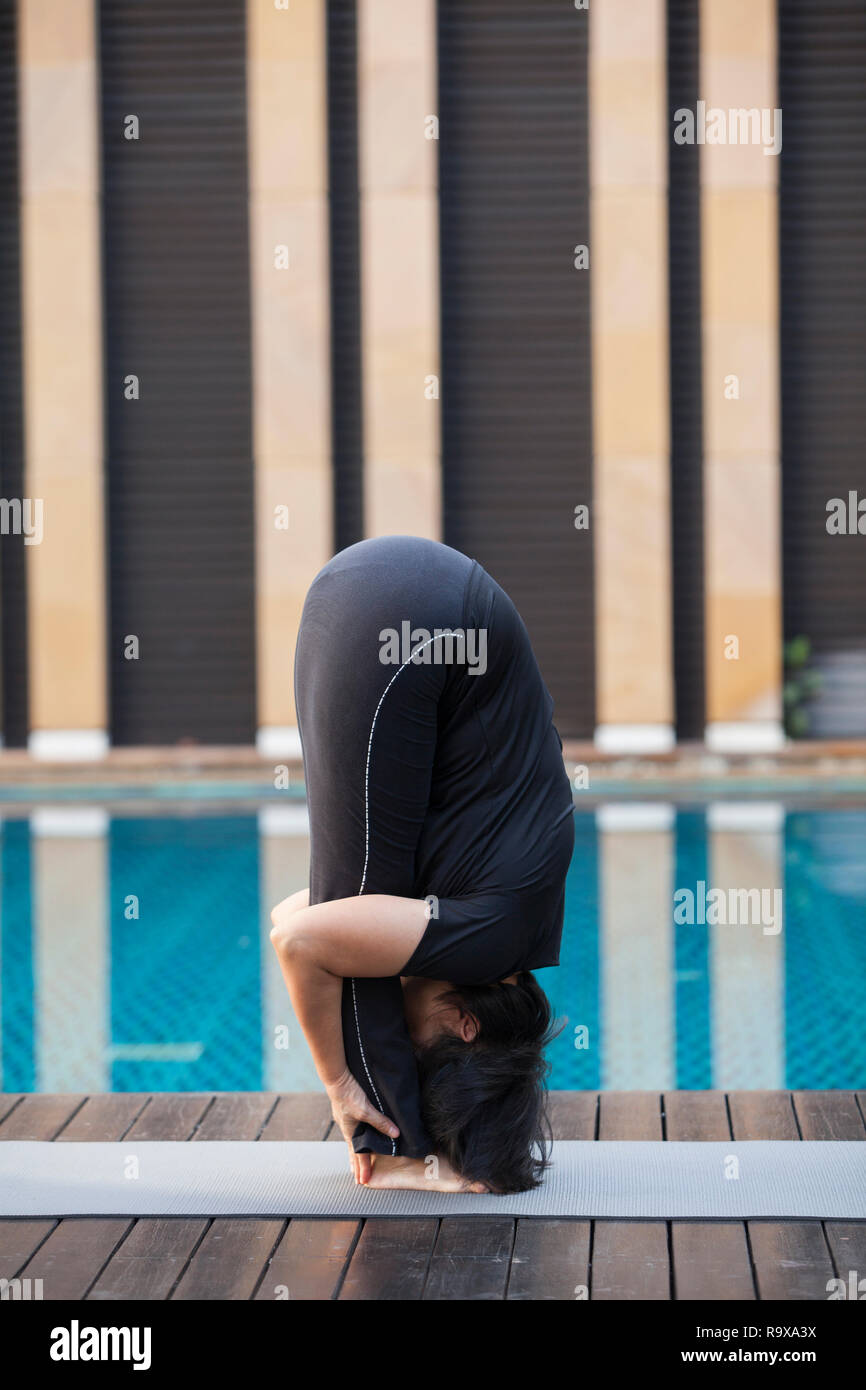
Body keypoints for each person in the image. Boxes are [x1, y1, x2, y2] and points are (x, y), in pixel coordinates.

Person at [270, 535, 574, 1193]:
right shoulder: (486, 938)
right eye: (416, 1055)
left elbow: (294, 915)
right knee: (352, 898)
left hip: (395, 592)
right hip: (396, 616)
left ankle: (402, 1146)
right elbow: (300, 940)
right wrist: (339, 1083)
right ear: (465, 1025)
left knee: (350, 897)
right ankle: (395, 1152)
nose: (402, 1041)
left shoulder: (511, 928)